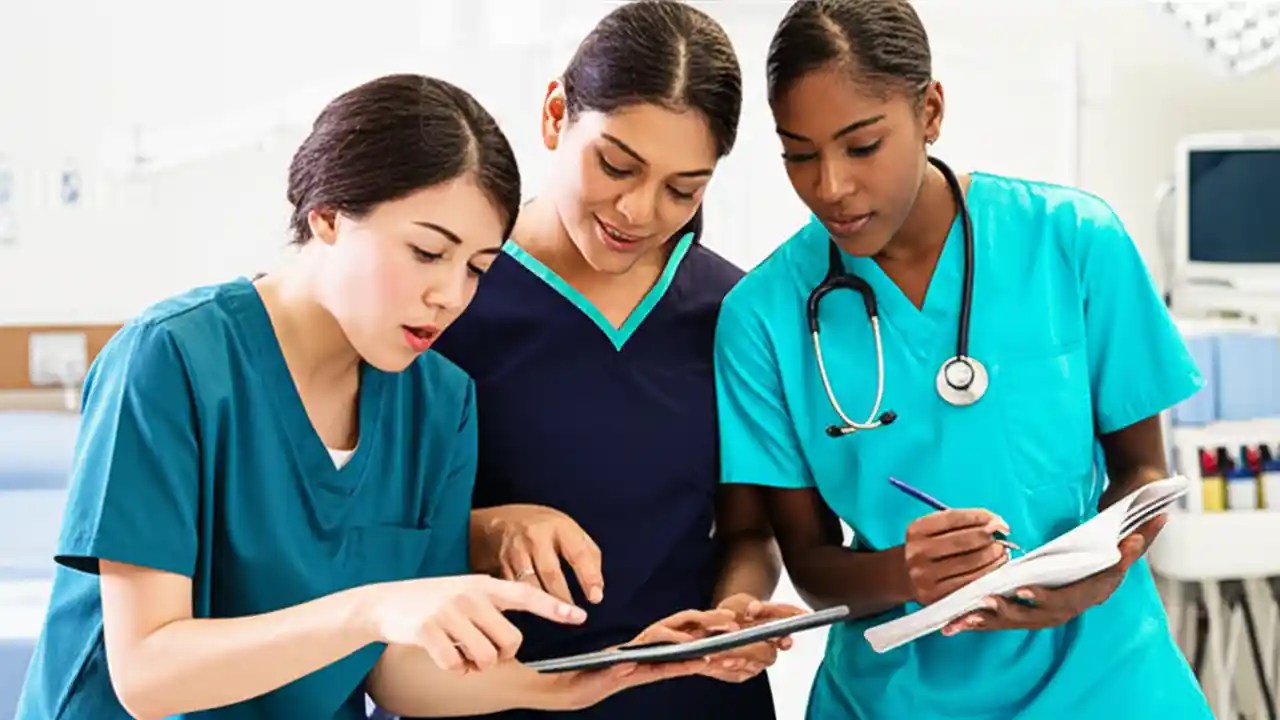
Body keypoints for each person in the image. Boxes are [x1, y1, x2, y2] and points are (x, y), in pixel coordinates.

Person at [15, 73, 737, 720]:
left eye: (477, 269)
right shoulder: (172, 359)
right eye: (427, 252)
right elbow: (147, 675)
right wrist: (374, 608)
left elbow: (399, 679)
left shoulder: (438, 402)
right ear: (327, 214)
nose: (449, 296)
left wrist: (585, 680)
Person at [713, 1, 1214, 718]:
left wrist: (1102, 573)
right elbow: (812, 567)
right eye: (798, 153)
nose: (830, 187)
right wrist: (903, 572)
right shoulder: (762, 316)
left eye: (861, 147)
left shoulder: (1073, 241)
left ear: (931, 111)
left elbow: (1140, 472)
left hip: (1108, 678)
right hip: (899, 695)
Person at [432, 3, 804, 719]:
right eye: (616, 165)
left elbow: (748, 530)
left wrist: (740, 607)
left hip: (692, 699)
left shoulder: (733, 311)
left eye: (683, 189)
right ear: (553, 115)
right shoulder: (447, 295)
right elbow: (369, 528)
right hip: (497, 695)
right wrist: (484, 529)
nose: (638, 210)